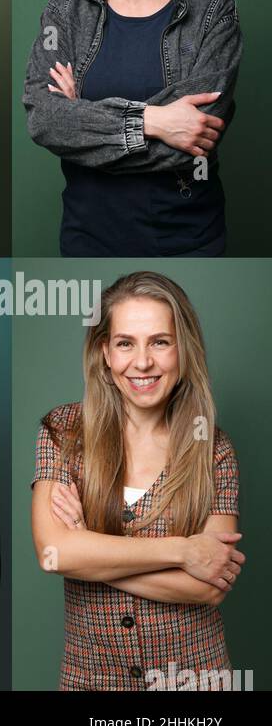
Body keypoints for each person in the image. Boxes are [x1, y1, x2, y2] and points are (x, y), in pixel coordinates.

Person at [23, 0, 240, 258]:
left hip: (189, 244)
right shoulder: (66, 10)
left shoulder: (215, 14)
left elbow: (195, 134)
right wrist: (156, 120)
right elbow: (45, 121)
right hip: (88, 242)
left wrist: (83, 120)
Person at [31, 271, 242, 692]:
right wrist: (183, 550)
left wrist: (89, 550)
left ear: (184, 351)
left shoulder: (213, 448)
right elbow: (54, 553)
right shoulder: (64, 430)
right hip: (90, 679)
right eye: (126, 343)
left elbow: (208, 587)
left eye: (160, 342)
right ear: (105, 352)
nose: (142, 362)